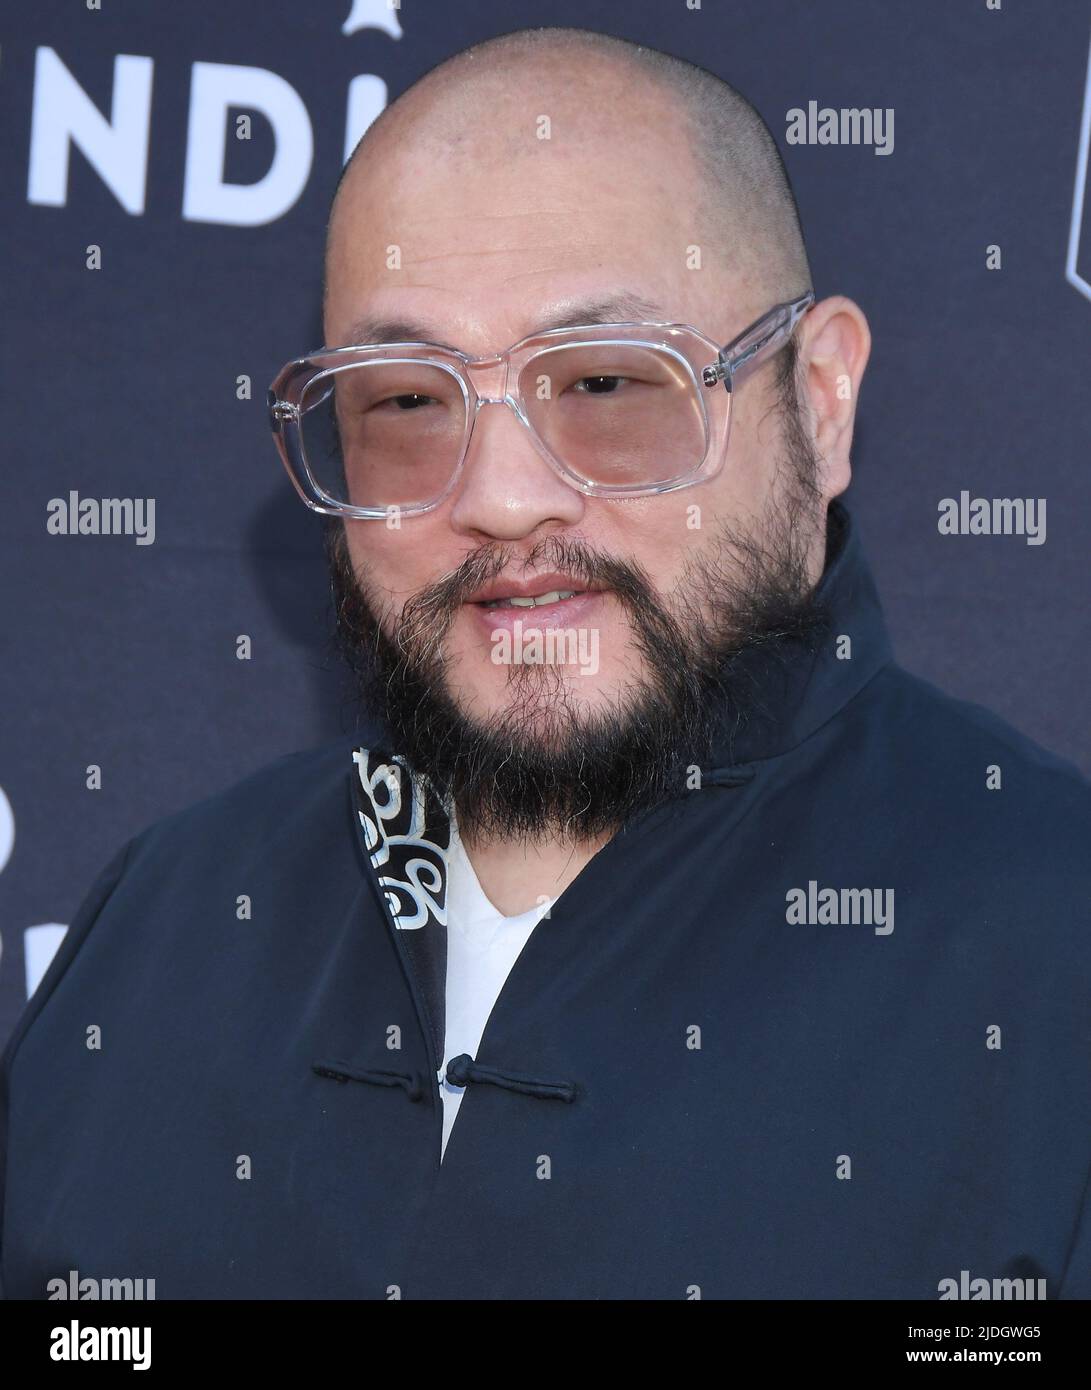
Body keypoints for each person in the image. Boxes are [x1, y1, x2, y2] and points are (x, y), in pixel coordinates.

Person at [2, 25, 1088, 1301]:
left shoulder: (1051, 944)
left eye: (609, 383)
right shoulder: (169, 920)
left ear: (819, 396)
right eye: (407, 403)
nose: (504, 500)